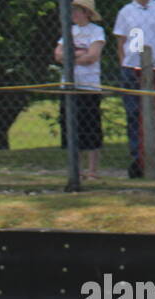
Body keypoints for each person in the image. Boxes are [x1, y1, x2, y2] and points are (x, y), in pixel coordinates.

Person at [113, 0, 155, 177]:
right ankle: (137, 156)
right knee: (133, 113)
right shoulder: (126, 11)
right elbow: (121, 41)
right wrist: (124, 64)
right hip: (132, 66)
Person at [55, 0, 106, 181]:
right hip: (69, 84)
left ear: (86, 13)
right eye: (72, 11)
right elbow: (58, 54)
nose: (74, 14)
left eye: (77, 11)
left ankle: (92, 170)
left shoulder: (96, 31)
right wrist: (77, 55)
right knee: (71, 127)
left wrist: (71, 57)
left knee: (90, 127)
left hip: (88, 85)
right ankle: (76, 169)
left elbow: (92, 56)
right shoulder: (69, 32)